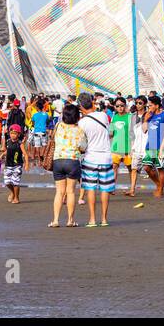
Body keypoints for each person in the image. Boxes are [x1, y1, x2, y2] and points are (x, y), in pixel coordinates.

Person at [77, 93, 113, 227]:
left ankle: (92, 219)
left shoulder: (82, 122)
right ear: (92, 102)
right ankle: (104, 219)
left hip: (90, 157)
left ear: (81, 106)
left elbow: (82, 144)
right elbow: (109, 133)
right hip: (105, 156)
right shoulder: (103, 116)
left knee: (90, 188)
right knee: (105, 189)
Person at [47, 104, 83, 228]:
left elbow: (53, 138)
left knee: (59, 192)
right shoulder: (79, 130)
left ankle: (56, 220)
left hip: (58, 160)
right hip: (72, 161)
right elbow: (83, 147)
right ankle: (70, 220)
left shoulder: (58, 125)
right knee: (71, 192)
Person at [141, 95, 164, 198]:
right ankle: (158, 184)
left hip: (161, 146)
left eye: (151, 105)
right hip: (150, 146)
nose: (149, 108)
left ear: (157, 106)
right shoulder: (149, 116)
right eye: (148, 106)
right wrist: (145, 120)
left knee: (160, 169)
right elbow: (144, 131)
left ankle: (160, 189)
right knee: (147, 168)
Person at [3, 124, 25, 204]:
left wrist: (27, 164)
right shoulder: (8, 141)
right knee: (7, 182)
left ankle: (16, 198)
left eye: (15, 133)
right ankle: (12, 193)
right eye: (11, 133)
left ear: (18, 134)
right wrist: (1, 155)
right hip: (8, 165)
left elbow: (25, 154)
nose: (13, 135)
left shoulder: (20, 143)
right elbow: (7, 150)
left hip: (17, 165)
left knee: (15, 182)